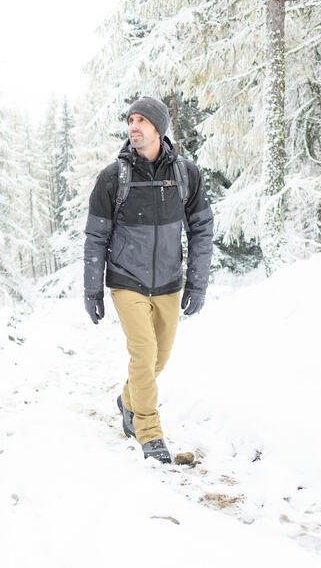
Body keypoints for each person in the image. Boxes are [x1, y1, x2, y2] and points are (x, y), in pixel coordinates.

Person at [83, 96, 214, 463]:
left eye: (141, 120)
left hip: (169, 282)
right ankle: (149, 432)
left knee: (160, 357)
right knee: (143, 353)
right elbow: (95, 237)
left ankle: (128, 399)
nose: (133, 126)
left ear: (159, 128)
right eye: (130, 120)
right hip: (127, 280)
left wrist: (197, 283)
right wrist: (93, 290)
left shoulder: (185, 175)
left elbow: (202, 229)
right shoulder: (113, 178)